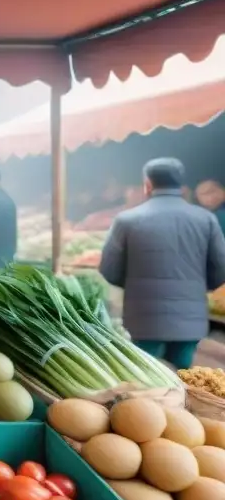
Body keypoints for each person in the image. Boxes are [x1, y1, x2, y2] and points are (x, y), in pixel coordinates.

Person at [99, 158, 225, 369]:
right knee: (182, 376)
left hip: (144, 315)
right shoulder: (205, 218)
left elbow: (109, 270)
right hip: (190, 315)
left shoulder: (127, 219)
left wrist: (136, 285)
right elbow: (221, 269)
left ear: (147, 184)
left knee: (145, 374)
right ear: (181, 185)